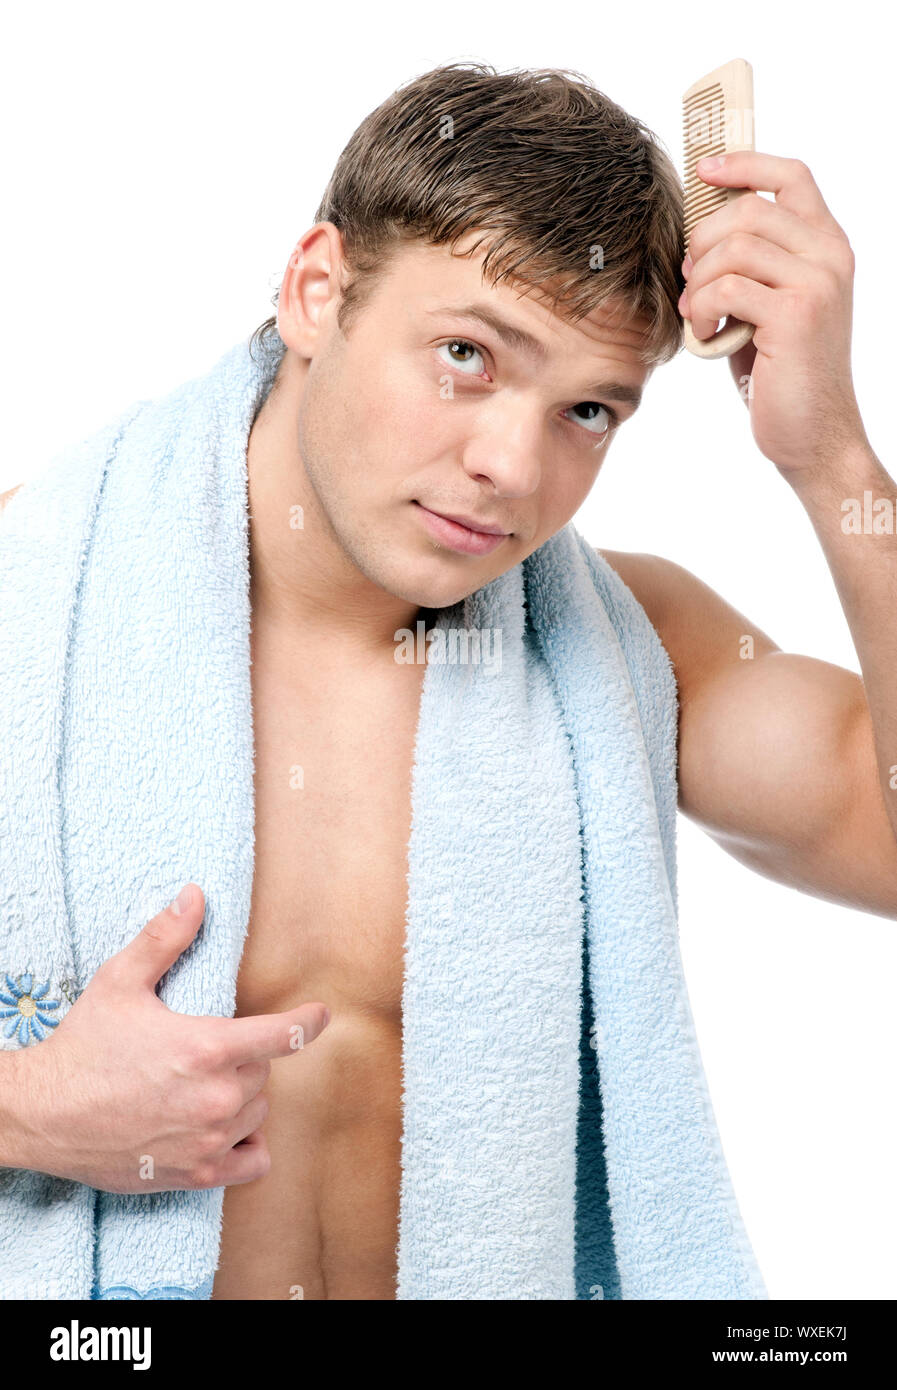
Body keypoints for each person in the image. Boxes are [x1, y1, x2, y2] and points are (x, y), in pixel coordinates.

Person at [0, 60, 892, 1301]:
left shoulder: (630, 648)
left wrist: (831, 451)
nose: (510, 465)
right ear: (318, 289)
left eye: (587, 410)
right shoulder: (28, 600)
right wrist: (22, 1107)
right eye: (467, 353)